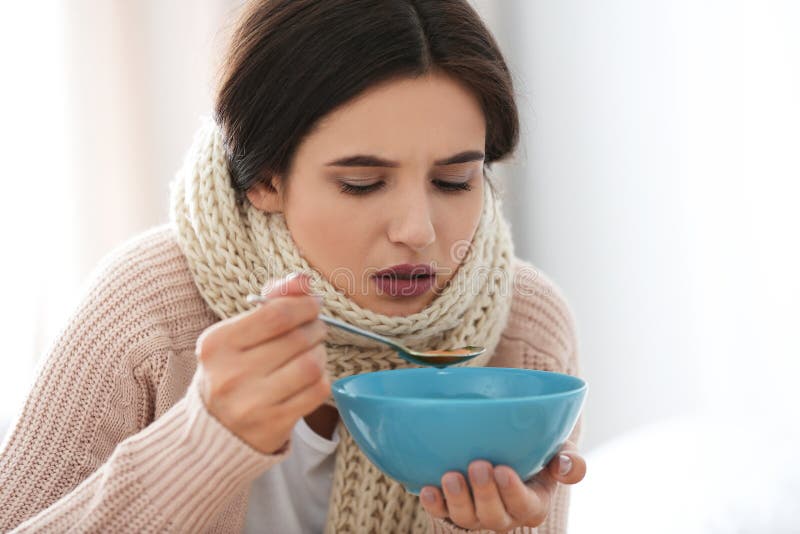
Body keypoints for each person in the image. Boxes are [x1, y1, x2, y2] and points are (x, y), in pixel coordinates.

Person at [0, 0, 586, 532]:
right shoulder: (146, 313)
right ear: (264, 179)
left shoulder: (523, 327)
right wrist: (202, 444)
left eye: (454, 181)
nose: (418, 230)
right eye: (361, 184)